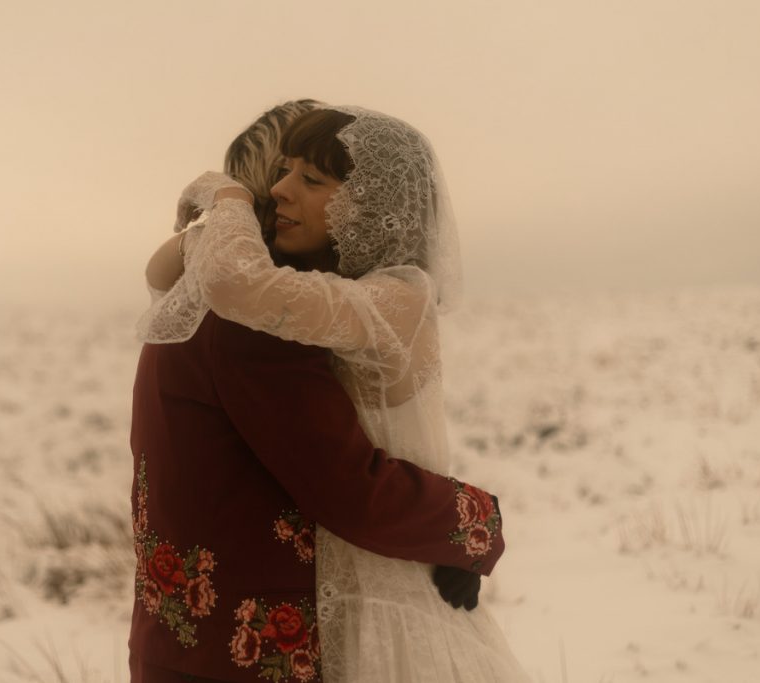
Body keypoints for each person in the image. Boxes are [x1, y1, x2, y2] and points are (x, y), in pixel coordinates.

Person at [140, 104, 529, 682]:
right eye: (285, 170)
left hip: (215, 639)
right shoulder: (254, 318)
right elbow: (352, 491)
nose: (281, 190)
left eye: (313, 177)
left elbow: (187, 273)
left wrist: (220, 209)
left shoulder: (287, 303)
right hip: (260, 644)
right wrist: (473, 522)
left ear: (369, 203)